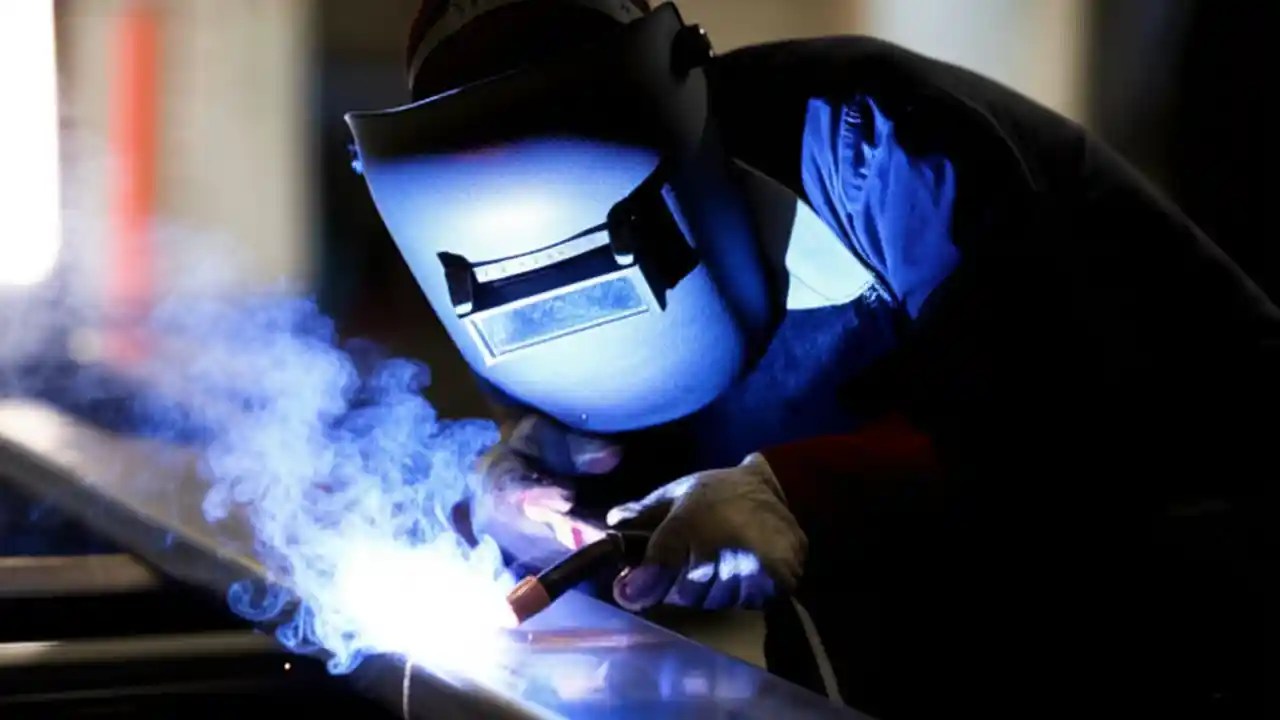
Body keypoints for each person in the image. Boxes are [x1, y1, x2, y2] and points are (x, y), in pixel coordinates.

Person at [350, 1, 1276, 717]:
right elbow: (618, 479)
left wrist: (795, 488)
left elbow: (1056, 431)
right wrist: (528, 484)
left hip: (1204, 540)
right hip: (897, 596)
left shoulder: (873, 143)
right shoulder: (475, 244)